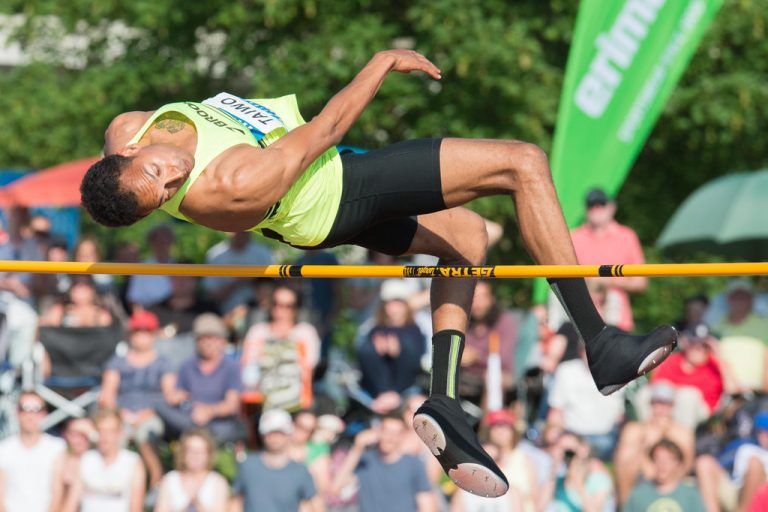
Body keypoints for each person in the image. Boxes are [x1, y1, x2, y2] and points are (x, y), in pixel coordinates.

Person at [81, 48, 677, 495]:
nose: (173, 180)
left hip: (323, 194)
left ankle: (442, 401)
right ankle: (599, 342)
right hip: (339, 190)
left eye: (157, 174)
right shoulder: (232, 184)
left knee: (466, 236)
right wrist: (380, 63)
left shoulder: (129, 126)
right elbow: (326, 131)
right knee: (523, 163)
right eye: (164, 195)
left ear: (128, 149)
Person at [99, 310, 174, 488]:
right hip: (122, 413)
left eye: (146, 331)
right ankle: (115, 485)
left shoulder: (163, 362)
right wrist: (120, 414)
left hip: (152, 413)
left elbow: (168, 395)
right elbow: (107, 394)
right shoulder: (117, 361)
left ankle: (155, 482)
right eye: (138, 331)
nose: (141, 336)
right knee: (115, 437)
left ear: (154, 335)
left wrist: (147, 413)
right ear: (130, 334)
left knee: (146, 435)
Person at [568, 187, 647, 331]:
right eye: (592, 206)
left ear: (611, 208)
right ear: (586, 210)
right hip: (580, 318)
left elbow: (641, 282)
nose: (597, 209)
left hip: (616, 320)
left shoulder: (627, 236)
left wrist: (607, 282)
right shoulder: (573, 237)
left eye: (601, 204)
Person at [157, 313, 244, 443]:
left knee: (232, 429)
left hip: (219, 422)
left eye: (212, 338)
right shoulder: (187, 366)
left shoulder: (231, 367)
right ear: (196, 342)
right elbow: (179, 394)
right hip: (190, 418)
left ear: (222, 341)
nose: (208, 343)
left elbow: (232, 404)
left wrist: (210, 411)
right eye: (203, 338)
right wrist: (177, 397)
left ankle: (199, 438)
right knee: (158, 405)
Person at [331, 411, 436, 512]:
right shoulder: (366, 460)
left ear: (403, 436)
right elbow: (336, 488)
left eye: (395, 433)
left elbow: (426, 504)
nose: (390, 437)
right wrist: (357, 448)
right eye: (386, 431)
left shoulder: (413, 464)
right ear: (378, 432)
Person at [614, 382, 695, 506]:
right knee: (627, 454)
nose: (661, 409)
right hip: (641, 475)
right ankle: (626, 506)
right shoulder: (635, 429)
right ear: (650, 405)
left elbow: (687, 463)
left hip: (674, 477)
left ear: (672, 406)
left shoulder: (683, 432)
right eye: (657, 403)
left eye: (666, 404)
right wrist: (648, 443)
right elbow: (624, 460)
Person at [241, 284, 320, 411]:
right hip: (262, 400)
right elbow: (249, 368)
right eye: (276, 304)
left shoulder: (306, 332)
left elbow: (309, 367)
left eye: (288, 306)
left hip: (296, 399)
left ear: (296, 309)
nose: (281, 310)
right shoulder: (257, 331)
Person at [230, 409, 320, 512]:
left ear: (288, 434)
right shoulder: (247, 465)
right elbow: (236, 501)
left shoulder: (300, 470)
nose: (275, 438)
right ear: (262, 435)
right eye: (270, 433)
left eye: (280, 433)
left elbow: (309, 504)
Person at [357, 279, 426, 413]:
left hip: (405, 384)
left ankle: (393, 395)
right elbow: (364, 356)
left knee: (408, 347)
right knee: (367, 348)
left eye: (398, 302)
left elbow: (419, 357)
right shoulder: (375, 328)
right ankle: (384, 394)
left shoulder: (414, 329)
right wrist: (376, 349)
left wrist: (399, 351)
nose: (394, 307)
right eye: (389, 303)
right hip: (377, 386)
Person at [63, 408, 146, 512]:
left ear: (120, 433)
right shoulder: (85, 459)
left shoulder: (132, 462)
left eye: (110, 431)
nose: (105, 436)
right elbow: (71, 504)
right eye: (101, 431)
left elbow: (136, 508)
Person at [0, 392, 65, 512]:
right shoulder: (3, 449)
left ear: (44, 414)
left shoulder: (57, 447)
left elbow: (58, 492)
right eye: (25, 408)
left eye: (36, 409)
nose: (30, 415)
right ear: (17, 413)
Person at [697, 411, 768, 512]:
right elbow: (722, 463)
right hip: (736, 488)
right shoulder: (745, 446)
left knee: (754, 464)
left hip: (761, 497)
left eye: (767, 432)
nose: (764, 436)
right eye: (760, 432)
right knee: (704, 462)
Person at [154, 428, 229, 512]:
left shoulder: (218, 482)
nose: (195, 456)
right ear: (183, 452)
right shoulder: (170, 480)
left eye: (200, 452)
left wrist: (198, 505)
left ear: (208, 454)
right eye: (191, 450)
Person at [624, 438, 705, 511]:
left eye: (668, 460)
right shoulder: (638, 495)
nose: (662, 464)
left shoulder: (690, 495)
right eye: (658, 459)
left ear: (679, 464)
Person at [202, 231, 273, 314]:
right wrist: (237, 281)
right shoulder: (215, 255)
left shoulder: (263, 253)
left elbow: (271, 288)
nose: (241, 233)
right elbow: (210, 295)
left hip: (259, 313)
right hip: (223, 313)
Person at [51, 417, 96, 512]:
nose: (79, 440)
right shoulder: (60, 458)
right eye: (74, 434)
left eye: (84, 435)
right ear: (65, 435)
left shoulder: (98, 461)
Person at [126, 224, 175, 307]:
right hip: (151, 315)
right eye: (159, 241)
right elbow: (134, 301)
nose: (163, 245)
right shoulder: (141, 269)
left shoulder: (180, 265)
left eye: (166, 241)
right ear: (151, 243)